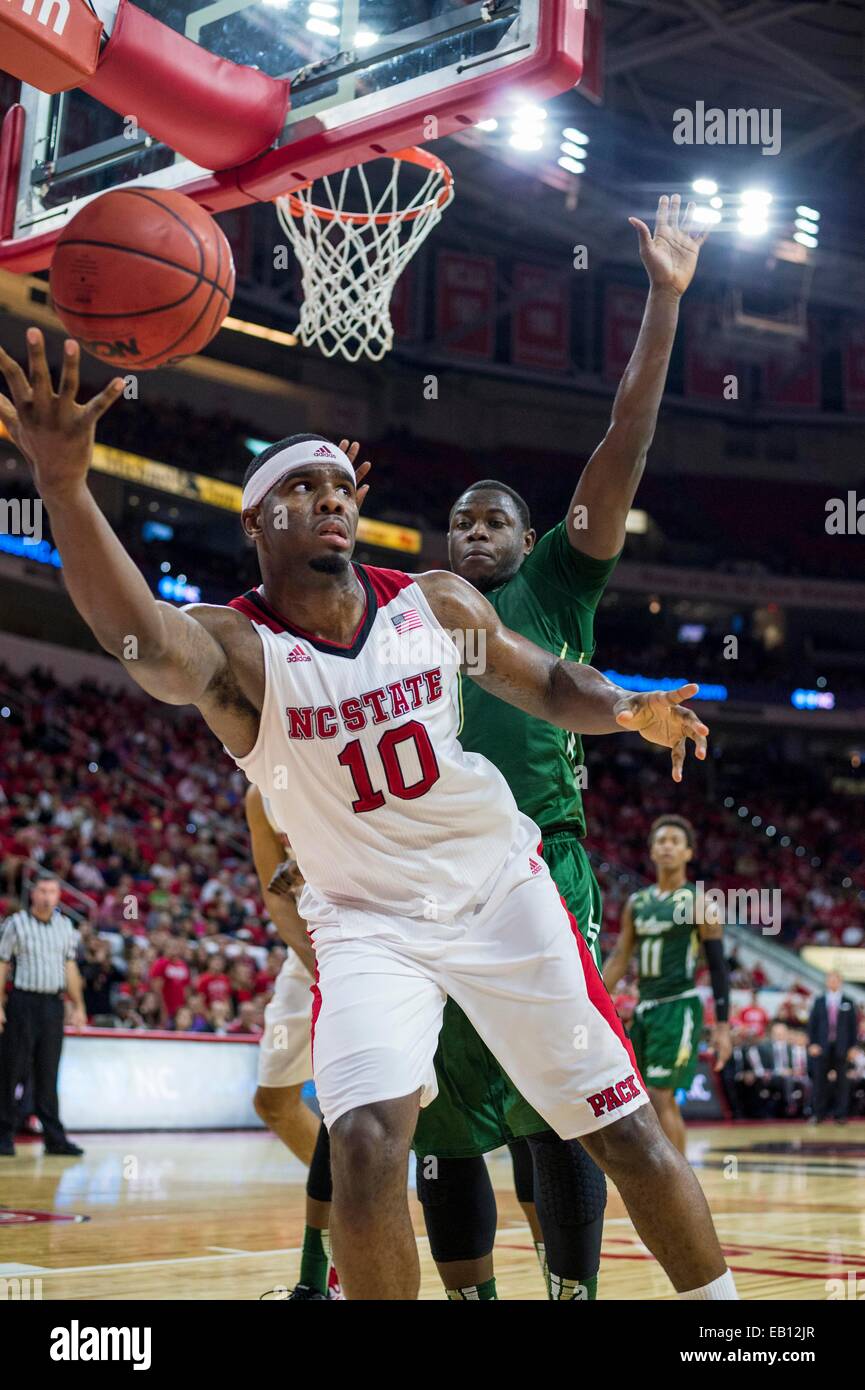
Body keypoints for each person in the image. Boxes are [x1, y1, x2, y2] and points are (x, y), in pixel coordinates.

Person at [0, 331, 735, 1302]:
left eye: (342, 485)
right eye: (303, 489)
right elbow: (136, 637)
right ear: (255, 520)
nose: (331, 499)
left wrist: (623, 706)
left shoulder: (433, 603)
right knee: (362, 1141)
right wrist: (64, 487)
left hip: (497, 891)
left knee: (619, 1125)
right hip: (366, 927)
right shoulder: (238, 650)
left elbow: (549, 681)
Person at [412, 191, 709, 1300]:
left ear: (529, 539)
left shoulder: (552, 587)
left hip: (544, 862)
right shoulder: (415, 616)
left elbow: (620, 443)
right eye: (458, 522)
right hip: (433, 879)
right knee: (444, 1119)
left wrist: (662, 302)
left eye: (491, 520)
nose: (471, 532)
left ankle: (573, 1292)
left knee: (561, 1099)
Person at [245, 782, 341, 1301]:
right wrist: (313, 963)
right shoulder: (260, 796)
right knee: (273, 1102)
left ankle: (333, 1265)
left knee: (344, 1111)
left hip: (361, 927)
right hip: (309, 947)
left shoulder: (318, 747)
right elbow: (274, 894)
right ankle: (348, 1193)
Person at [603, 815, 731, 1154]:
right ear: (651, 850)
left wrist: (722, 1026)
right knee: (644, 1096)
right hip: (645, 1007)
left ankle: (679, 1181)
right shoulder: (638, 903)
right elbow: (619, 957)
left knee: (661, 1094)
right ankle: (661, 1176)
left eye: (675, 840)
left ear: (689, 853)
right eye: (661, 840)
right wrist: (593, 999)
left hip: (678, 1005)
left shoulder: (701, 903)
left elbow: (718, 967)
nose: (667, 846)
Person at [0, 876, 86, 1156]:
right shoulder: (16, 923)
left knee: (49, 1071)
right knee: (12, 1069)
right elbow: (2, 964)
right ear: (32, 893)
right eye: (42, 890)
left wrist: (79, 1005)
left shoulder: (65, 926)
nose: (47, 896)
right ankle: (3, 1134)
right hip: (23, 1001)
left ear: (59, 896)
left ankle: (54, 1137)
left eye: (52, 891)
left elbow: (69, 967)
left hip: (53, 1003)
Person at [808, 971, 858, 1125]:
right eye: (830, 979)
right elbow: (812, 1025)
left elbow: (853, 1027)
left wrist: (853, 1047)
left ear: (840, 982)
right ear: (826, 982)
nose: (833, 982)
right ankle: (818, 1114)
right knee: (819, 1082)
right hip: (822, 1046)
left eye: (836, 979)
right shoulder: (819, 1001)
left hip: (842, 1047)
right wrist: (812, 1043)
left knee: (842, 1083)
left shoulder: (848, 1002)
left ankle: (841, 1114)